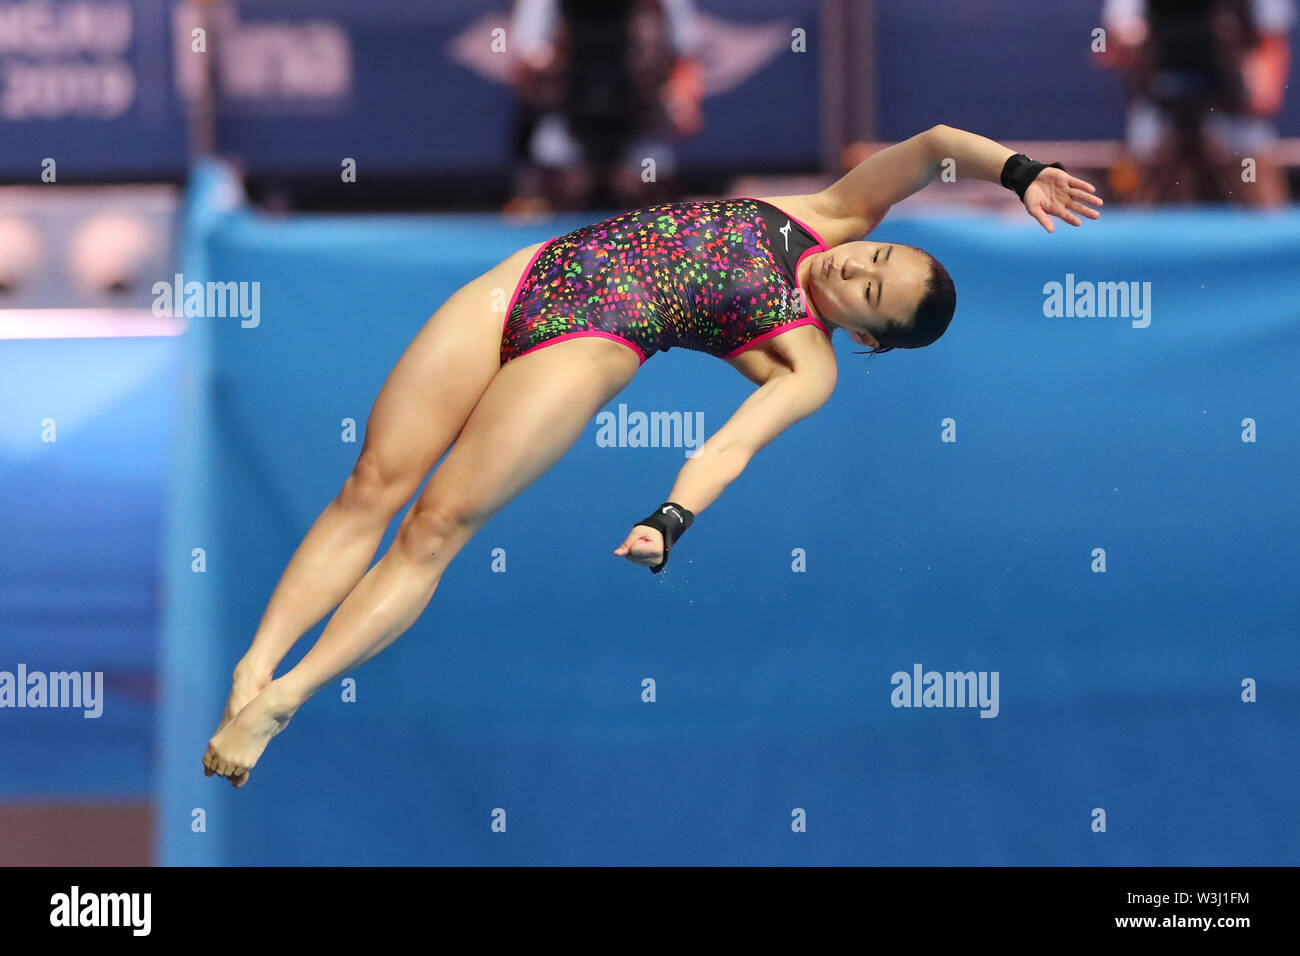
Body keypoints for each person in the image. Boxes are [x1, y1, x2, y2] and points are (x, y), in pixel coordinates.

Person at [202, 124, 1102, 785]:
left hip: (592, 339)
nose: (851, 272)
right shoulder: (830, 214)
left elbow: (730, 449)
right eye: (877, 258)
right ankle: (257, 664)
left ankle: (288, 697)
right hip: (528, 275)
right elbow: (937, 143)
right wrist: (1021, 173)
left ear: (868, 337)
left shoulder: (806, 362)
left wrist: (670, 519)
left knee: (436, 523)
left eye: (868, 295)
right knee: (373, 481)